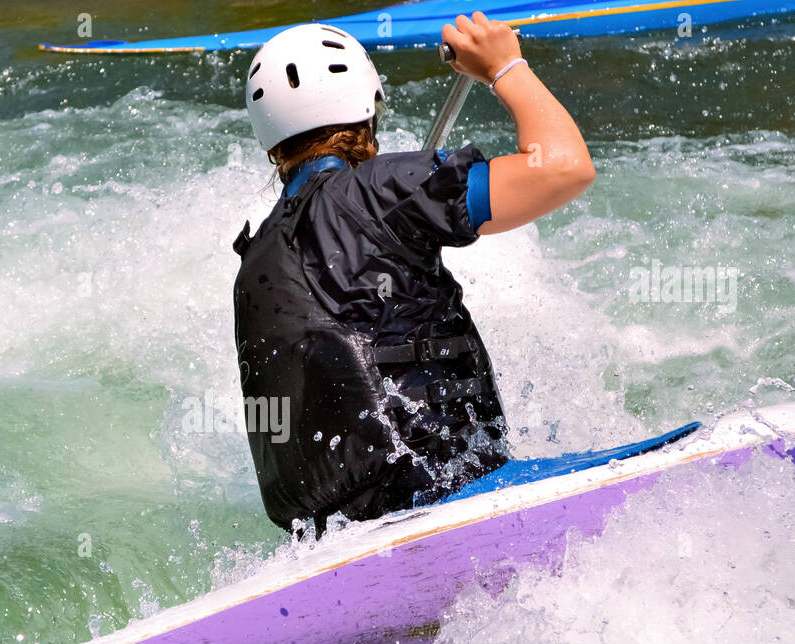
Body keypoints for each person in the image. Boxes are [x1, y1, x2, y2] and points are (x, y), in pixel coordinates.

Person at [232, 13, 595, 535]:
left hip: (329, 533)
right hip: (445, 493)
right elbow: (564, 167)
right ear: (367, 108)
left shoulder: (256, 256)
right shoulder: (383, 189)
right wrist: (504, 66)